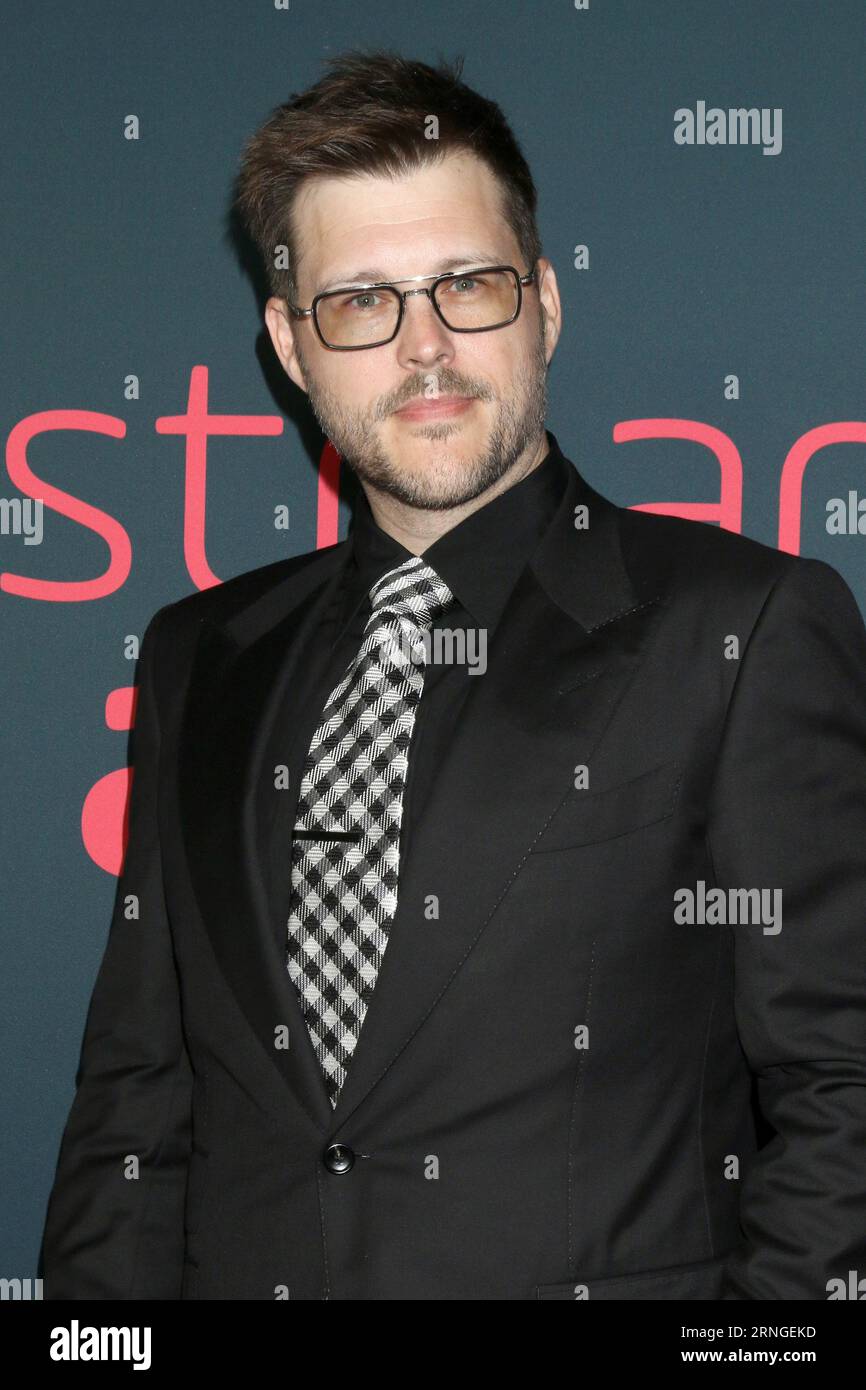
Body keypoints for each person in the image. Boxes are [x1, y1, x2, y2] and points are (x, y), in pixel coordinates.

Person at [42, 49, 866, 1301]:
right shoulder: (196, 657)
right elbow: (135, 1106)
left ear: (541, 300)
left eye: (465, 286)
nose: (423, 348)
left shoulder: (738, 626)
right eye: (360, 302)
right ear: (289, 344)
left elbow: (840, 1086)